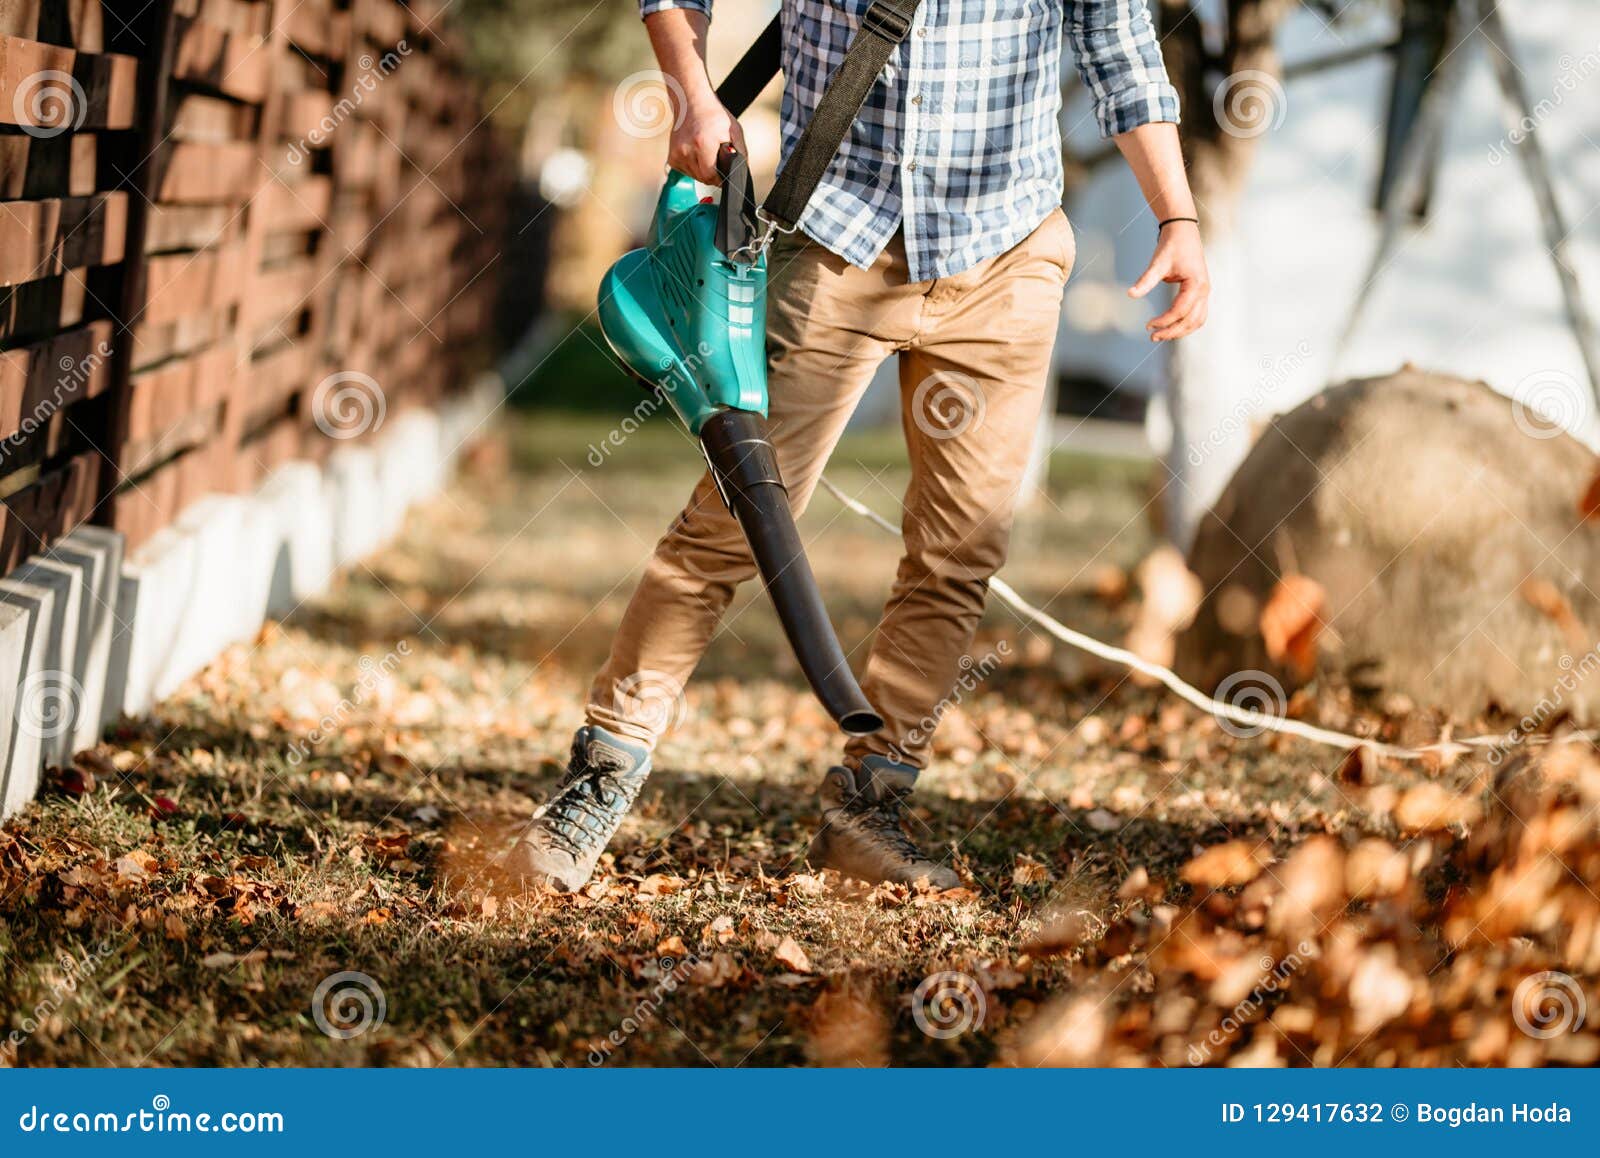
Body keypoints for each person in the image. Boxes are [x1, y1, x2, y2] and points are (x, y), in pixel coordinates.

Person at [505, 0, 1209, 891]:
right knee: (733, 521)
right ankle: (599, 781)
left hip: (1007, 255)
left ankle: (868, 810)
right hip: (838, 239)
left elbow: (1119, 44)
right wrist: (691, 94)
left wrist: (1177, 218)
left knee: (958, 551)